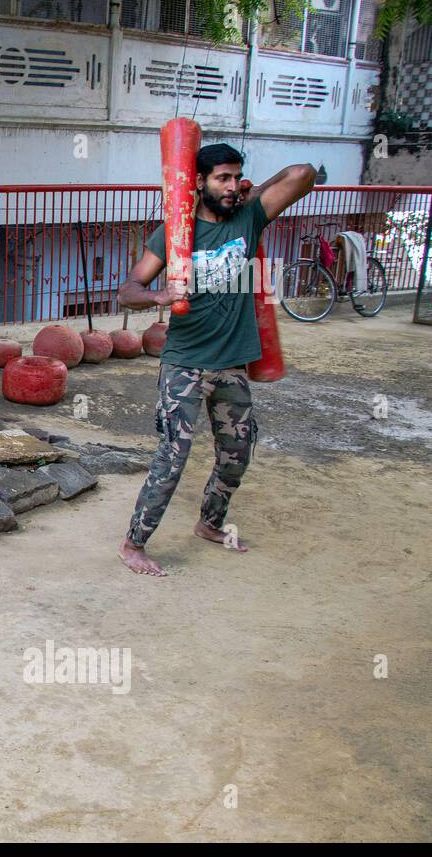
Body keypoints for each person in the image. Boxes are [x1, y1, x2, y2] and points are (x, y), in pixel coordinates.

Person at [116, 144, 316, 577]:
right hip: (185, 363)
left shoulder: (248, 217)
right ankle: (134, 543)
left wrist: (250, 191)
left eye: (235, 177)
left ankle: (210, 523)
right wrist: (159, 295)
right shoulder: (177, 231)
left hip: (231, 365)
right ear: (200, 182)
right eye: (221, 178)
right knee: (174, 454)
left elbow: (303, 173)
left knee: (237, 452)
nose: (230, 185)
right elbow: (127, 289)